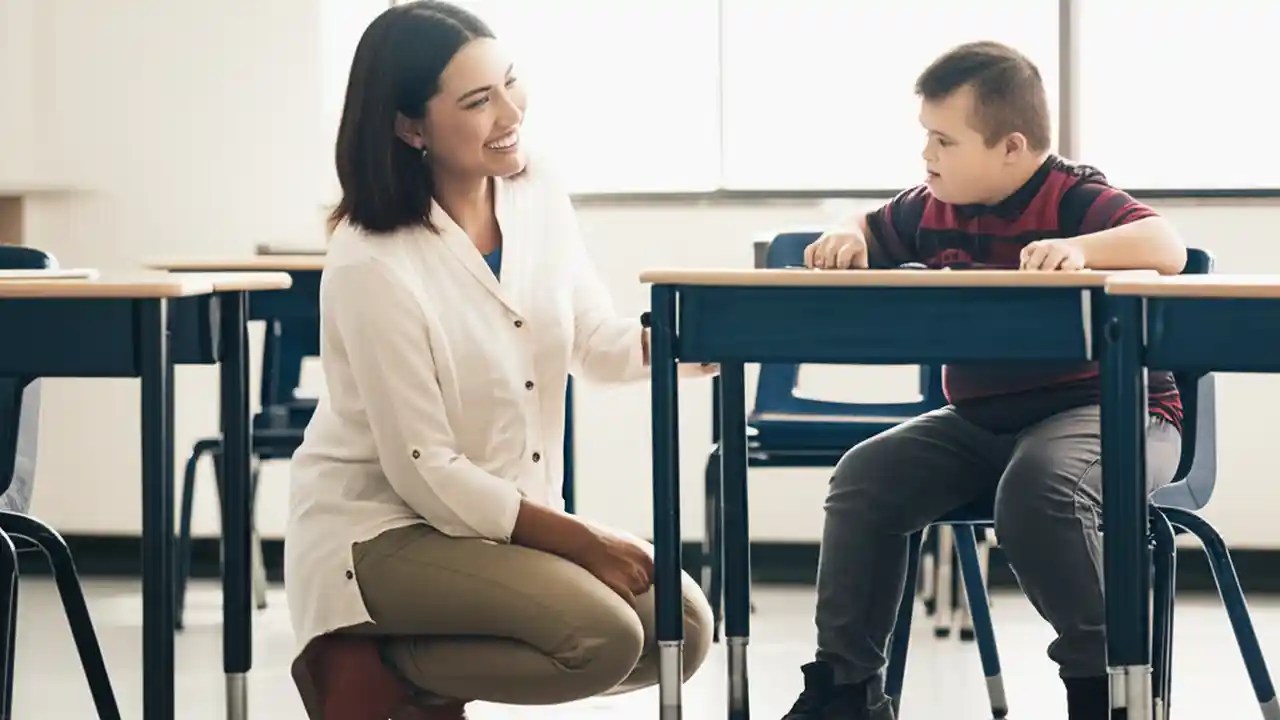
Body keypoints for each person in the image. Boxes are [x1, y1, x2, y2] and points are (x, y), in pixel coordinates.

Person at [284, 3, 714, 719]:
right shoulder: (371, 260)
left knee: (683, 629)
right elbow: (424, 468)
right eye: (480, 101)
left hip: (491, 519)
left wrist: (688, 344)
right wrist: (582, 539)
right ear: (409, 126)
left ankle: (406, 667)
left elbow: (590, 341)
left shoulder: (536, 188)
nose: (512, 113)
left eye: (511, 84)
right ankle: (376, 662)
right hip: (382, 529)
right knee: (601, 637)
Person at [784, 41, 1187, 720]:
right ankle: (847, 692)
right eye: (924, 137)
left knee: (1041, 489)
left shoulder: (1075, 197)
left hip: (1115, 414)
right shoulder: (931, 207)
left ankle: (1108, 691)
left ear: (1011, 147)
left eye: (944, 139)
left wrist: (1080, 249)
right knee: (865, 478)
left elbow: (1165, 246)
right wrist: (846, 233)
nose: (926, 156)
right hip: (985, 424)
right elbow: (869, 225)